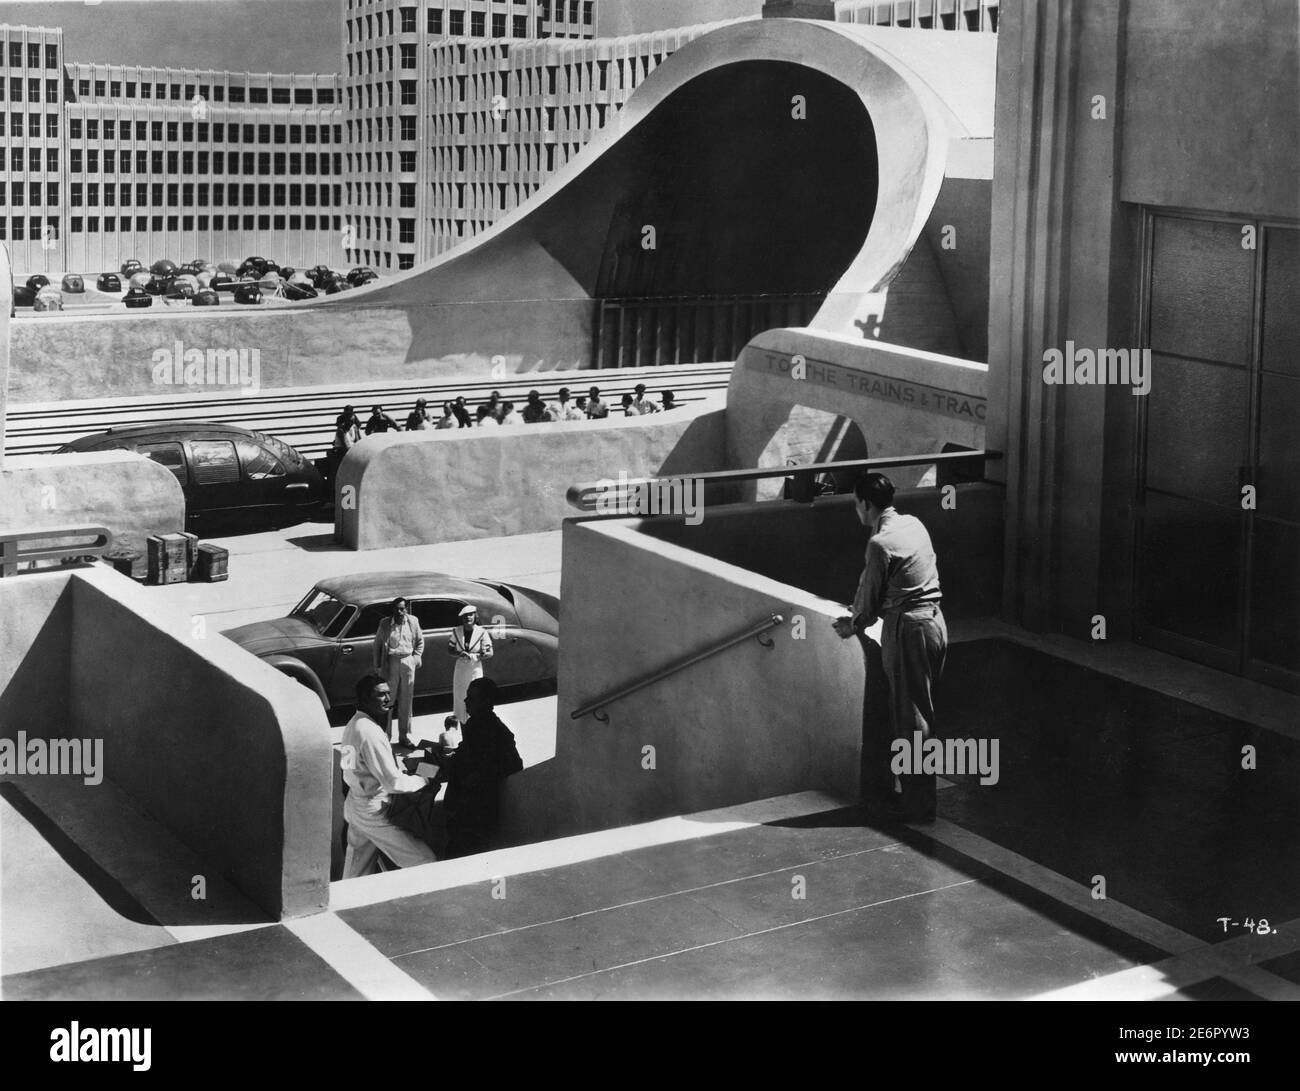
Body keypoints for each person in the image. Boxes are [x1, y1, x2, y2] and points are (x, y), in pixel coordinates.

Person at [833, 473, 946, 824]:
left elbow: (868, 598)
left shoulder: (880, 543)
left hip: (909, 630)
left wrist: (853, 624)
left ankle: (918, 806)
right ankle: (918, 797)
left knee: (910, 721)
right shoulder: (913, 524)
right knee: (920, 714)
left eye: (856, 503)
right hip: (935, 624)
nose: (855, 509)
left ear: (866, 504)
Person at [339, 674, 438, 877]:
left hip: (355, 804)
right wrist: (425, 777)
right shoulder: (370, 732)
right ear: (365, 699)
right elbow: (393, 782)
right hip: (374, 810)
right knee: (426, 862)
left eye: (388, 694)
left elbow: (350, 769)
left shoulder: (353, 724)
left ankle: (348, 902)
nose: (387, 699)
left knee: (356, 870)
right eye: (380, 695)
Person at [439, 678, 523, 858]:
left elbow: (514, 764)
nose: (465, 702)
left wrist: (480, 776)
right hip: (465, 806)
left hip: (474, 809)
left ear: (486, 701)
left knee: (462, 853)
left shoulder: (495, 730)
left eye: (472, 698)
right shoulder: (475, 723)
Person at [373, 597, 424, 747]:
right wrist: (378, 667)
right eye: (397, 609)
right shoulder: (384, 624)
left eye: (403, 609)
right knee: (388, 700)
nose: (400, 612)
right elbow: (377, 646)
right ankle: (386, 736)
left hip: (408, 662)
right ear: (393, 610)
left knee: (406, 700)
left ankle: (404, 736)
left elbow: (420, 641)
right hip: (391, 663)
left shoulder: (413, 621)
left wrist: (415, 658)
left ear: (406, 609)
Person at [447, 604, 494, 723]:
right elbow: (450, 650)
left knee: (476, 696)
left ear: (475, 616)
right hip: (461, 669)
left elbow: (490, 652)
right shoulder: (456, 631)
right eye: (465, 615)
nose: (468, 618)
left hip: (475, 668)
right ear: (462, 618)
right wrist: (459, 653)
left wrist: (477, 655)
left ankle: (477, 724)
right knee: (460, 697)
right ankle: (462, 724)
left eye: (470, 615)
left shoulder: (482, 632)